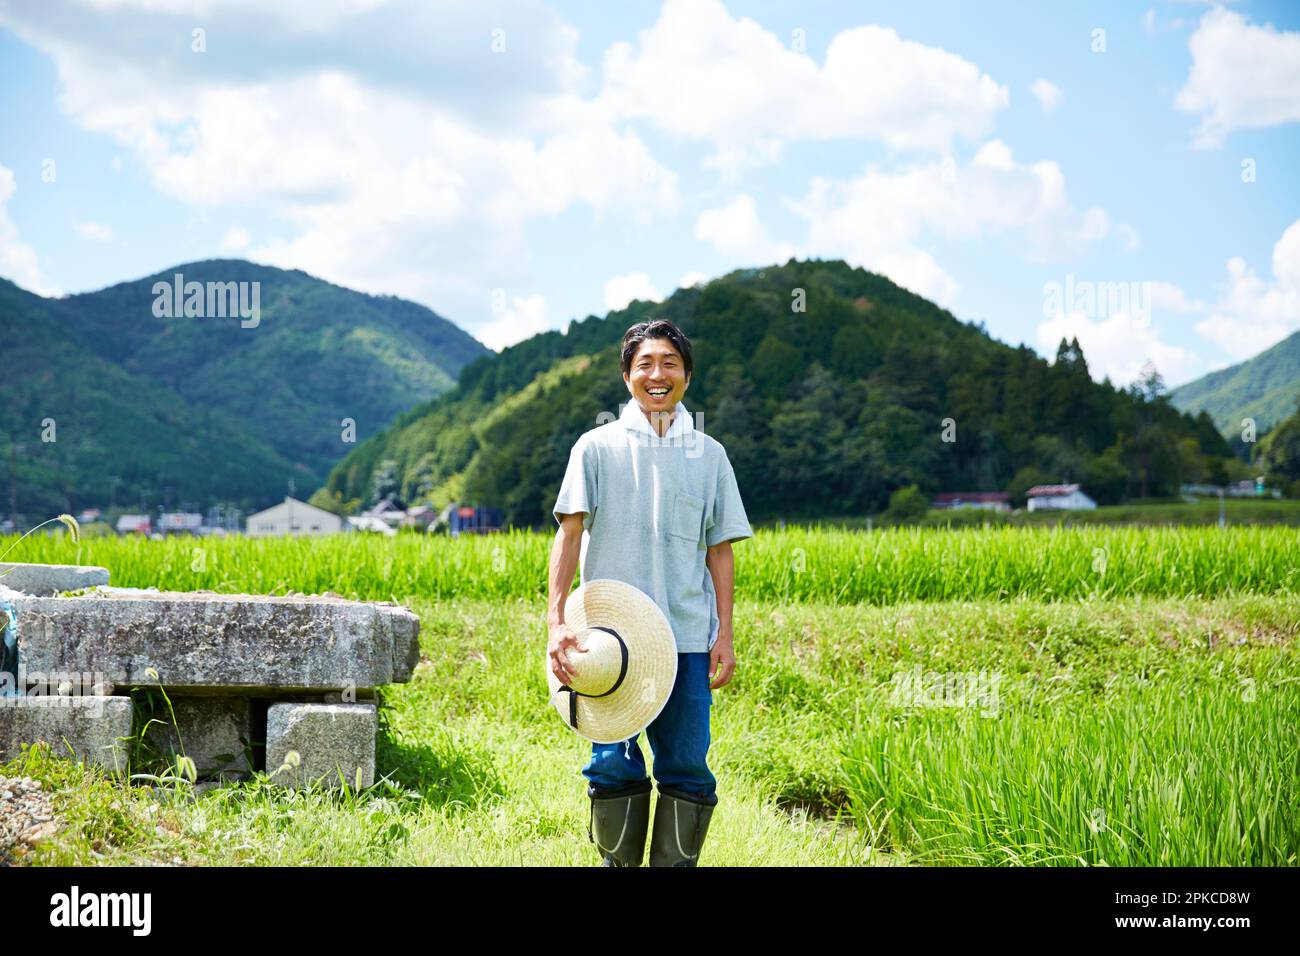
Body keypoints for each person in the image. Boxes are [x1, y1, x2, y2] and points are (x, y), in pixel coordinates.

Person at [547, 318, 753, 866]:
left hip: (686, 637)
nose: (657, 374)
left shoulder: (710, 455)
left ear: (687, 375)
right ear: (626, 375)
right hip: (609, 642)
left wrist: (725, 635)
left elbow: (719, 551)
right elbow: (569, 534)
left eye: (670, 363)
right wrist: (556, 621)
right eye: (645, 364)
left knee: (687, 768)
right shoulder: (595, 448)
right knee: (611, 764)